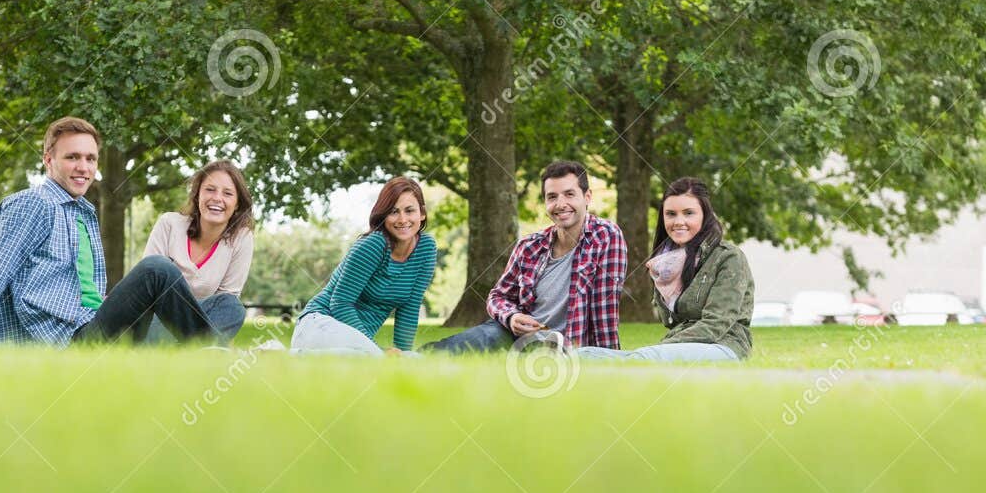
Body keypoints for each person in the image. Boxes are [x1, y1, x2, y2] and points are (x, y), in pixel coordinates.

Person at [429, 160, 625, 353]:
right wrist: (512, 317)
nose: (560, 204)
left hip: (565, 347)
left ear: (587, 197)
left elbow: (604, 310)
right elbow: (498, 296)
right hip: (518, 337)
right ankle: (414, 357)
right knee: (482, 338)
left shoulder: (605, 236)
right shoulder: (529, 246)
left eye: (569, 194)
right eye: (552, 197)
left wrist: (607, 359)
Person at [0, 116, 108, 344]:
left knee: (162, 303)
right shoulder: (35, 203)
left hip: (95, 321)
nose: (83, 167)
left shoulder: (84, 213)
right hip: (64, 339)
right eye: (72, 157)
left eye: (91, 159)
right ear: (48, 160)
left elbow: (85, 292)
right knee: (156, 271)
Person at [581, 176, 753, 363]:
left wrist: (663, 347)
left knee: (643, 359)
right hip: (680, 345)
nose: (678, 221)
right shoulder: (665, 264)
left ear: (705, 216)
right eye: (671, 214)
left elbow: (716, 323)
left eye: (688, 213)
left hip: (723, 346)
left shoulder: (729, 257)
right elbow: (670, 321)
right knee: (582, 354)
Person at [291, 177, 436, 355]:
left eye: (409, 210)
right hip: (320, 324)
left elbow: (409, 308)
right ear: (384, 215)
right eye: (393, 212)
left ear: (422, 214)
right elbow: (341, 303)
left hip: (358, 342)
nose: (402, 219)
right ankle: (286, 355)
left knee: (412, 359)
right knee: (373, 357)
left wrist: (402, 352)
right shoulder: (373, 245)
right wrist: (375, 349)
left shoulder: (426, 248)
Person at [137, 160, 256, 343]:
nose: (217, 198)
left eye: (227, 193)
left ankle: (193, 348)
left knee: (233, 307)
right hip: (157, 320)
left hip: (204, 320)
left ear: (237, 204)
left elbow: (226, 298)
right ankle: (201, 349)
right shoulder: (169, 224)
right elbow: (147, 282)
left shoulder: (241, 238)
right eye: (210, 189)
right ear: (197, 195)